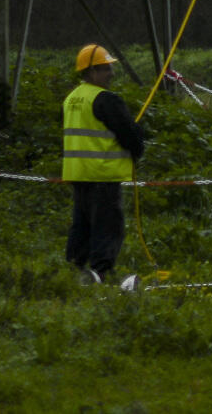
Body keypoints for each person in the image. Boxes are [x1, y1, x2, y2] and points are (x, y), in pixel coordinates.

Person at [63, 44, 146, 282]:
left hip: (79, 175)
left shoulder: (71, 99)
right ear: (91, 72)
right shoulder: (106, 100)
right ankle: (102, 273)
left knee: (82, 225)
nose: (111, 73)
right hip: (102, 175)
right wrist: (139, 137)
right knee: (107, 227)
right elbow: (131, 136)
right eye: (106, 68)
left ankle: (75, 269)